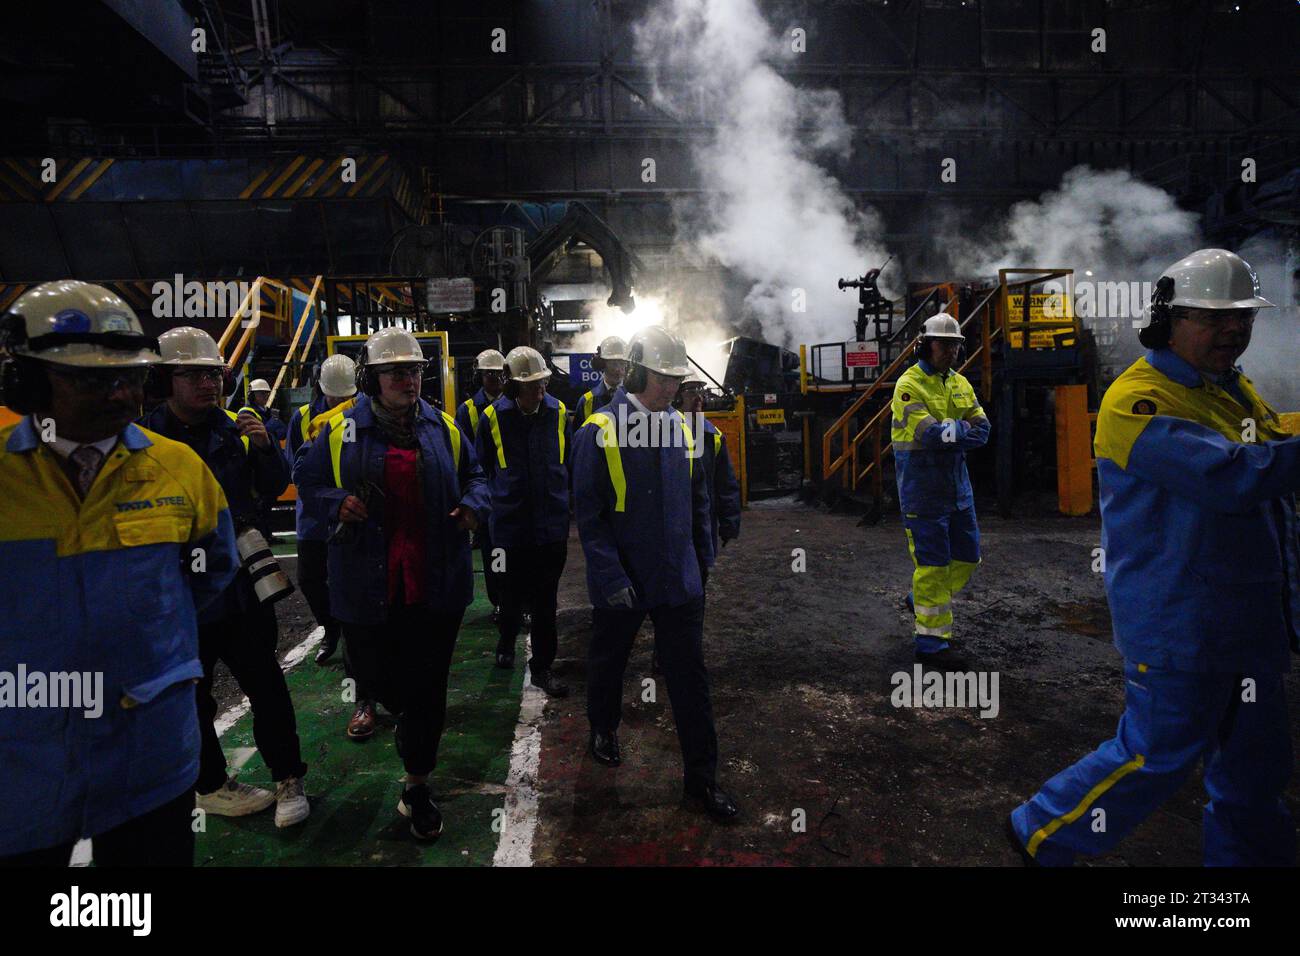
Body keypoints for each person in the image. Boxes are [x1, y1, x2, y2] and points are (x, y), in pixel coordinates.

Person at [1008, 248, 1300, 867]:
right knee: (1154, 755)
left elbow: (1270, 439)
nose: (1233, 331)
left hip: (1247, 621)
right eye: (1212, 318)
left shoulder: (1227, 386)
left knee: (1255, 772)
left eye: (1242, 317)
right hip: (1181, 621)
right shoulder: (1136, 401)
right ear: (1168, 319)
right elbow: (1235, 476)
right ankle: (1040, 834)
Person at [0, 281, 238, 866]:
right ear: (27, 383)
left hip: (149, 751)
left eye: (129, 376)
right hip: (22, 760)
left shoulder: (178, 468)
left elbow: (211, 570)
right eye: (91, 379)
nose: (120, 393)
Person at [295, 327, 489, 841]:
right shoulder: (340, 431)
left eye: (415, 370)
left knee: (428, 691)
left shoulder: (443, 428)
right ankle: (403, 716)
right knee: (382, 681)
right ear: (372, 378)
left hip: (434, 584)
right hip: (368, 586)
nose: (408, 380)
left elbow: (477, 476)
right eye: (396, 372)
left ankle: (417, 787)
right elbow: (308, 481)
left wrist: (474, 505)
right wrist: (337, 501)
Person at [139, 326, 310, 828]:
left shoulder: (238, 429)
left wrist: (263, 449)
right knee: (191, 694)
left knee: (266, 683)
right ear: (166, 380)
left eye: (213, 374)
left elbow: (275, 484)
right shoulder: (143, 438)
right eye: (192, 375)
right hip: (176, 591)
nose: (207, 384)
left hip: (236, 586)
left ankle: (288, 777)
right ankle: (212, 785)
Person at [573, 325, 738, 821]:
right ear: (640, 372)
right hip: (625, 580)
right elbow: (590, 518)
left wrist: (702, 560)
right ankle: (603, 727)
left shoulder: (682, 428)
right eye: (664, 378)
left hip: (678, 581)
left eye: (676, 379)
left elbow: (698, 499)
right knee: (608, 660)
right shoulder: (597, 432)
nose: (673, 388)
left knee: (690, 679)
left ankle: (701, 781)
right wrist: (611, 579)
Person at [889, 312, 989, 670]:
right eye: (944, 344)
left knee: (968, 557)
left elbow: (984, 431)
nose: (951, 351)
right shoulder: (908, 386)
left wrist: (953, 430)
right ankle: (931, 644)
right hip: (923, 494)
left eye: (956, 345)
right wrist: (960, 427)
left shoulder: (959, 383)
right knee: (932, 567)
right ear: (925, 345)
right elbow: (930, 436)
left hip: (958, 492)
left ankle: (919, 598)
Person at [474, 346, 572, 696]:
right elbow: (480, 470)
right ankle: (505, 642)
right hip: (511, 530)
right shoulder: (492, 419)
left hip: (550, 529)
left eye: (543, 383)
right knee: (510, 596)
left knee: (546, 602)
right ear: (513, 387)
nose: (540, 391)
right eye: (531, 385)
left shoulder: (559, 413)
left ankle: (543, 666)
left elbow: (568, 463)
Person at [286, 354, 357, 667]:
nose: (339, 400)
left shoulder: (361, 412)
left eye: (346, 396)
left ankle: (355, 639)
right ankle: (330, 628)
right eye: (334, 395)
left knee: (353, 580)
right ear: (320, 388)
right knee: (311, 579)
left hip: (350, 513)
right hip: (314, 516)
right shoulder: (302, 418)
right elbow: (296, 467)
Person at [456, 348, 508, 618]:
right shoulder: (467, 411)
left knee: (515, 552)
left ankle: (516, 601)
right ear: (480, 376)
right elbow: (464, 459)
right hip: (487, 493)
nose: (495, 379)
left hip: (510, 491)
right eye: (490, 374)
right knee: (493, 554)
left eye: (499, 374)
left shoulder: (513, 404)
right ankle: (499, 600)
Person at [577, 335, 628, 423]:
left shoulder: (636, 398)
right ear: (601, 365)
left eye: (622, 363)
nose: (618, 370)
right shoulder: (587, 402)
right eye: (614, 364)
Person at [246, 377, 288, 445]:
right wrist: (273, 423)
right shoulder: (247, 412)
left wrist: (270, 433)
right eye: (262, 393)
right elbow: (259, 435)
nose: (266, 395)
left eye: (267, 393)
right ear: (252, 395)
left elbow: (284, 432)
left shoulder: (270, 412)